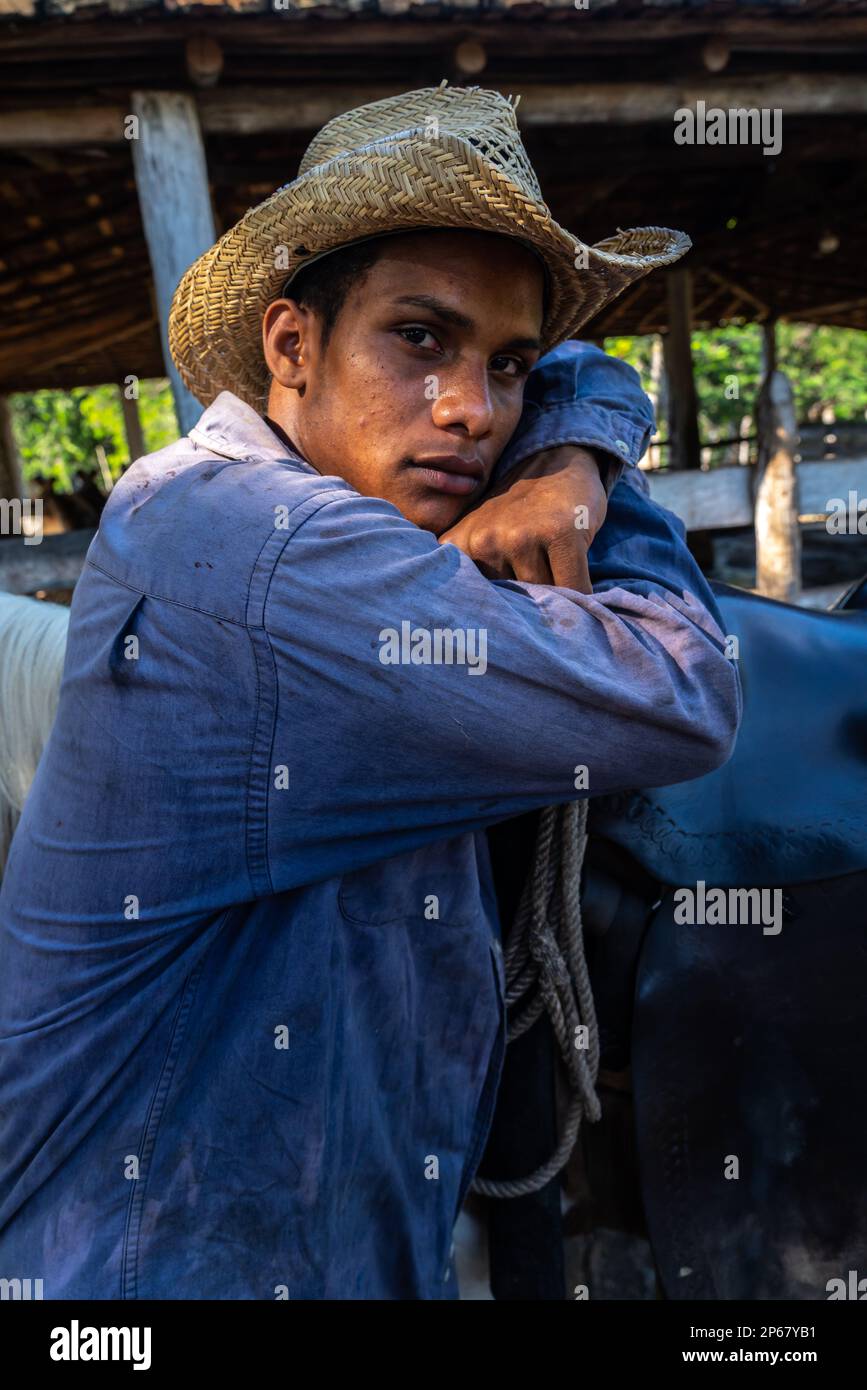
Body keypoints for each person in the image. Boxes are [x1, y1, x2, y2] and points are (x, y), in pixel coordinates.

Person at [0, 84, 740, 1300]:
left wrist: (571, 442)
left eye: (507, 365)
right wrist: (584, 483)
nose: (471, 408)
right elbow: (684, 688)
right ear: (291, 346)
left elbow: (586, 370)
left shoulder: (261, 513)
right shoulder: (263, 545)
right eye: (419, 338)